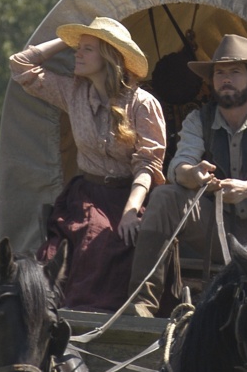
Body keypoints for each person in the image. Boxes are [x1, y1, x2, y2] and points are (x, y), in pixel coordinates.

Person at [128, 33, 247, 316]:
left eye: (235, 72)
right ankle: (142, 302)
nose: (225, 79)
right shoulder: (198, 120)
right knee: (166, 195)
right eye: (219, 73)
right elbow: (178, 168)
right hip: (217, 230)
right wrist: (196, 175)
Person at [9, 16, 165, 310]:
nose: (77, 54)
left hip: (129, 196)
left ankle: (95, 319)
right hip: (86, 195)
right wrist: (66, 40)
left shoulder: (142, 103)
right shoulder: (73, 93)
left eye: (87, 49)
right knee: (62, 250)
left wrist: (132, 210)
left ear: (109, 57)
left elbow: (148, 164)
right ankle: (55, 315)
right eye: (78, 48)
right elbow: (20, 66)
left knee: (107, 240)